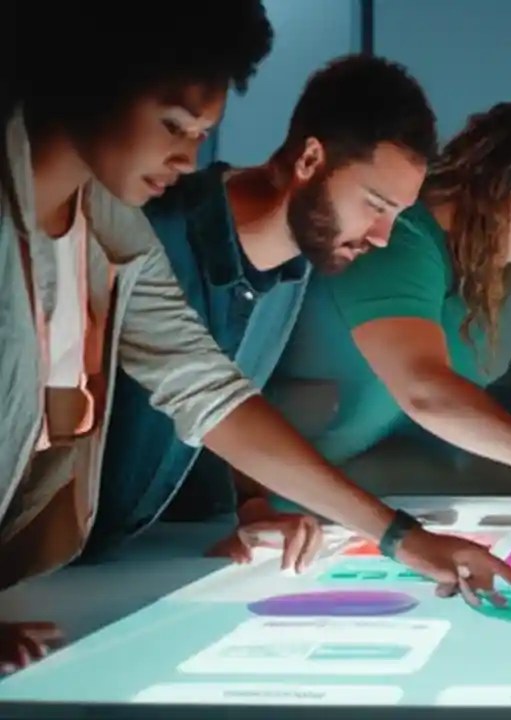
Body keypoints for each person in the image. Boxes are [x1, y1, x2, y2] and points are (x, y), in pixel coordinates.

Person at [0, 1, 511, 672]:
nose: (188, 156)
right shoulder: (143, 219)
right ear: (90, 77)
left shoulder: (116, 228)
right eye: (174, 124)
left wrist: (398, 538)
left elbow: (208, 390)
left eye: (203, 131)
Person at [81, 54, 437, 567]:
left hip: (145, 562)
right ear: (311, 159)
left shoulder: (296, 267)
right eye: (375, 205)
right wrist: (400, 537)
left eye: (396, 217)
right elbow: (202, 392)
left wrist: (250, 504)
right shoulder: (147, 233)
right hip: (53, 569)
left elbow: (232, 405)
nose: (380, 238)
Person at [260, 101, 511, 528]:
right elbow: (425, 391)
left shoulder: (504, 264)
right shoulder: (397, 241)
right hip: (260, 490)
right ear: (492, 182)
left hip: (351, 494)